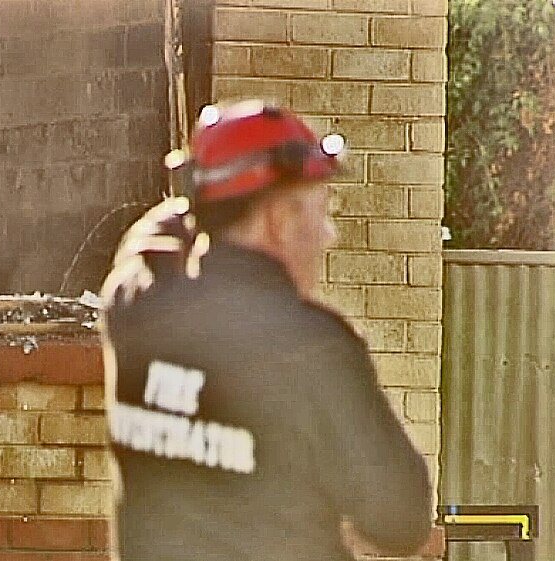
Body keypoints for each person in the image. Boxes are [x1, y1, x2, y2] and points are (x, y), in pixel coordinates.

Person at [99, 99, 433, 561]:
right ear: (279, 220)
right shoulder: (314, 348)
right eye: (321, 212)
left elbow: (152, 236)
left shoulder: (135, 303)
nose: (329, 234)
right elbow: (401, 522)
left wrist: (204, 191)